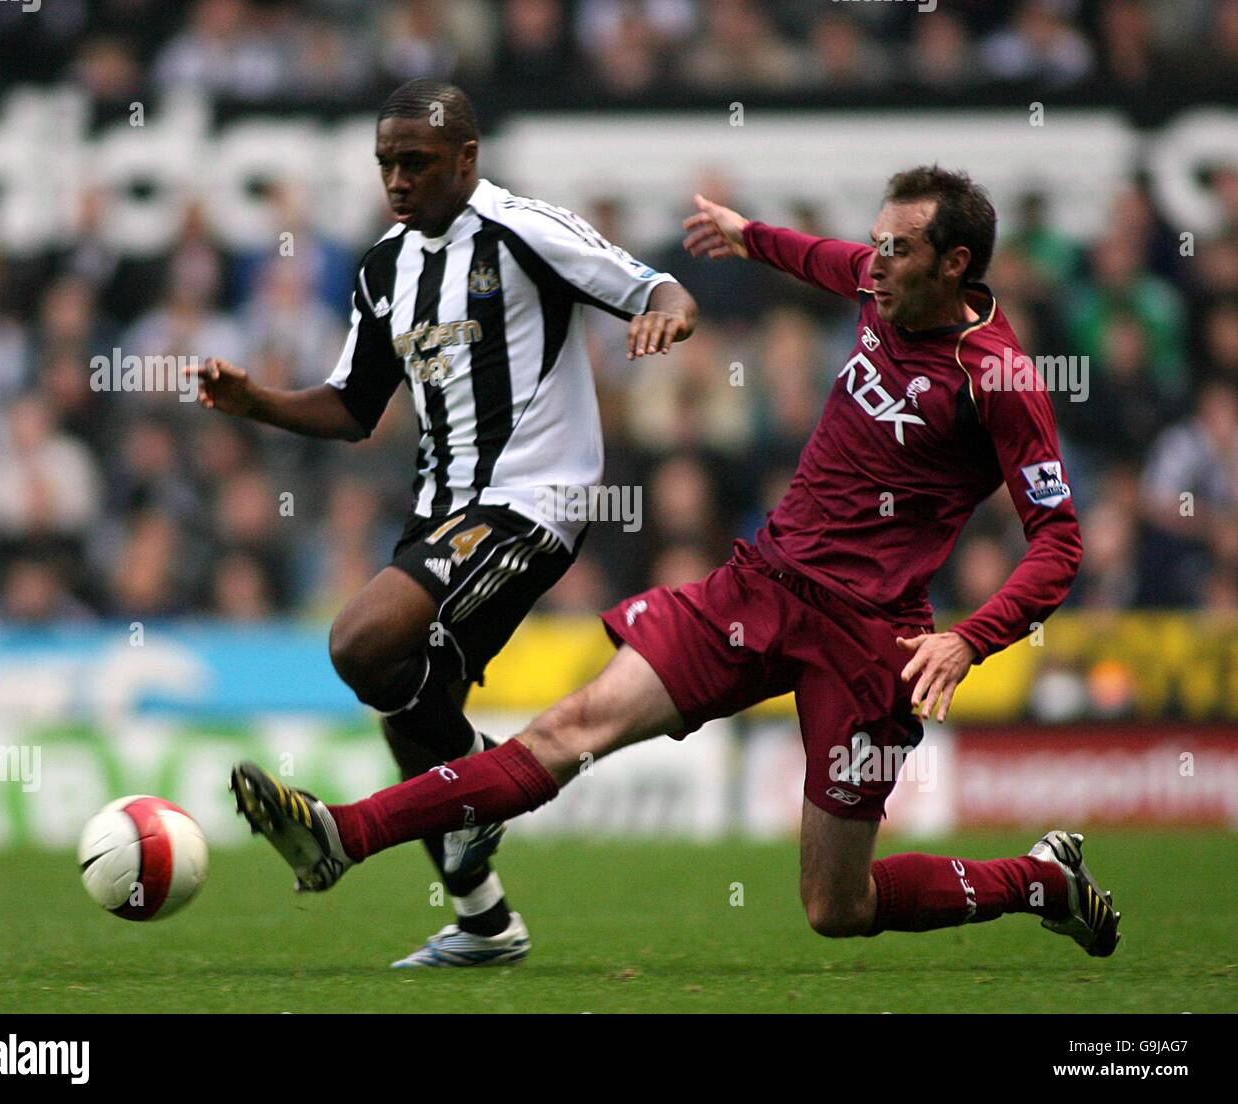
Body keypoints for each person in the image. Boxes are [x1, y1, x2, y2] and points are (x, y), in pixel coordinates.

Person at [231, 165, 1122, 959]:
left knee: (836, 907)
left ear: (956, 264)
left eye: (896, 248)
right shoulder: (881, 282)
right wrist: (745, 236)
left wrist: (970, 640)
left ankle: (1038, 883)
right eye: (876, 240)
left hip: (869, 639)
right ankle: (340, 834)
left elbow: (1061, 540)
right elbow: (820, 256)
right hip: (760, 587)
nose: (873, 259)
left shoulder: (996, 378)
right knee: (568, 730)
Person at [196, 79, 697, 966]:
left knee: (359, 644)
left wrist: (664, 319)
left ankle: (473, 781)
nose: (397, 180)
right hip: (441, 513)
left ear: (467, 158)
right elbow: (354, 409)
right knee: (403, 700)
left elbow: (656, 287)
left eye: (415, 163)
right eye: (386, 163)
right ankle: (484, 918)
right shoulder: (384, 267)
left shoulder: (524, 230)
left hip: (533, 502)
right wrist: (256, 403)